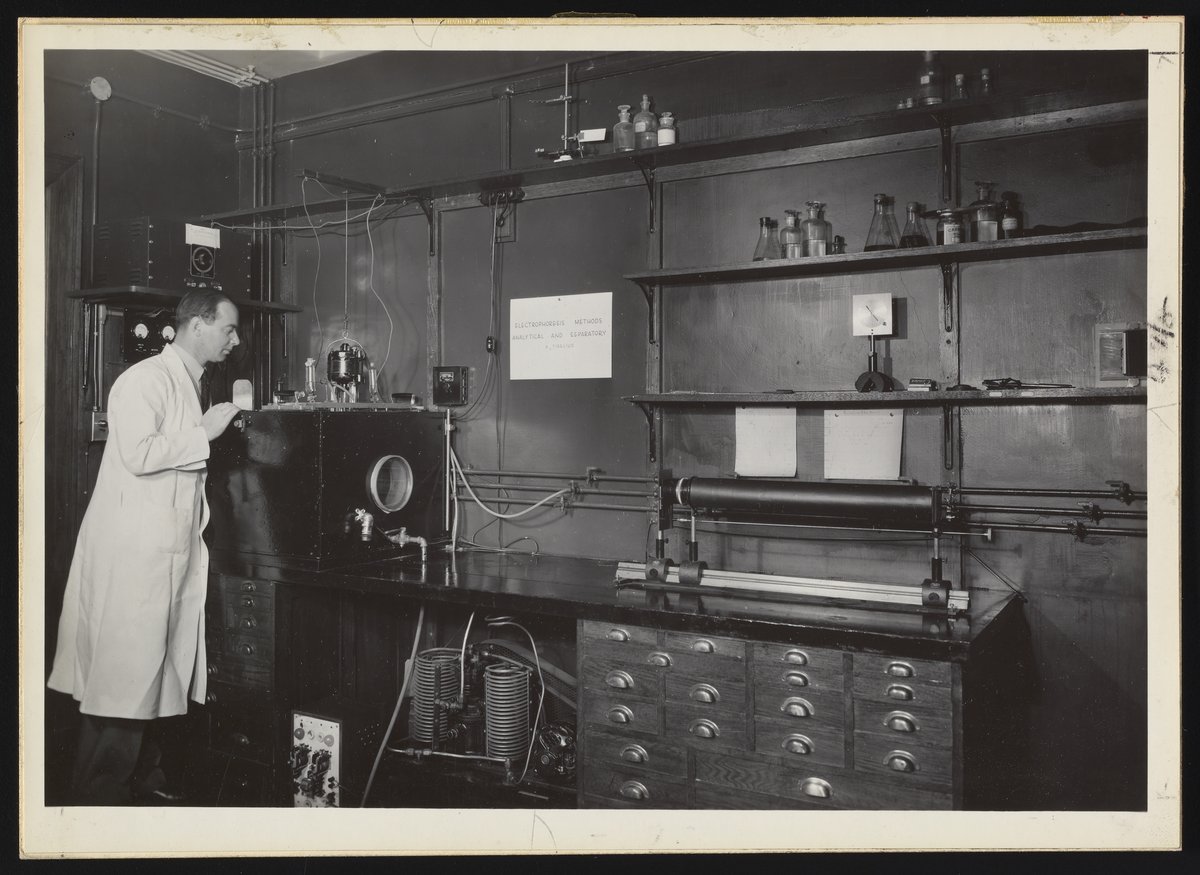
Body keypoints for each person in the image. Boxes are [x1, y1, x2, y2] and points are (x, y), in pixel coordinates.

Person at [48, 289, 243, 805]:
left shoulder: (185, 383)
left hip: (164, 555)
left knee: (152, 680)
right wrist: (205, 433)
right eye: (229, 329)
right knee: (124, 682)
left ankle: (144, 787)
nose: (235, 340)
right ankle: (98, 805)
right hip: (136, 560)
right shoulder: (144, 381)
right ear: (198, 325)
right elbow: (137, 454)